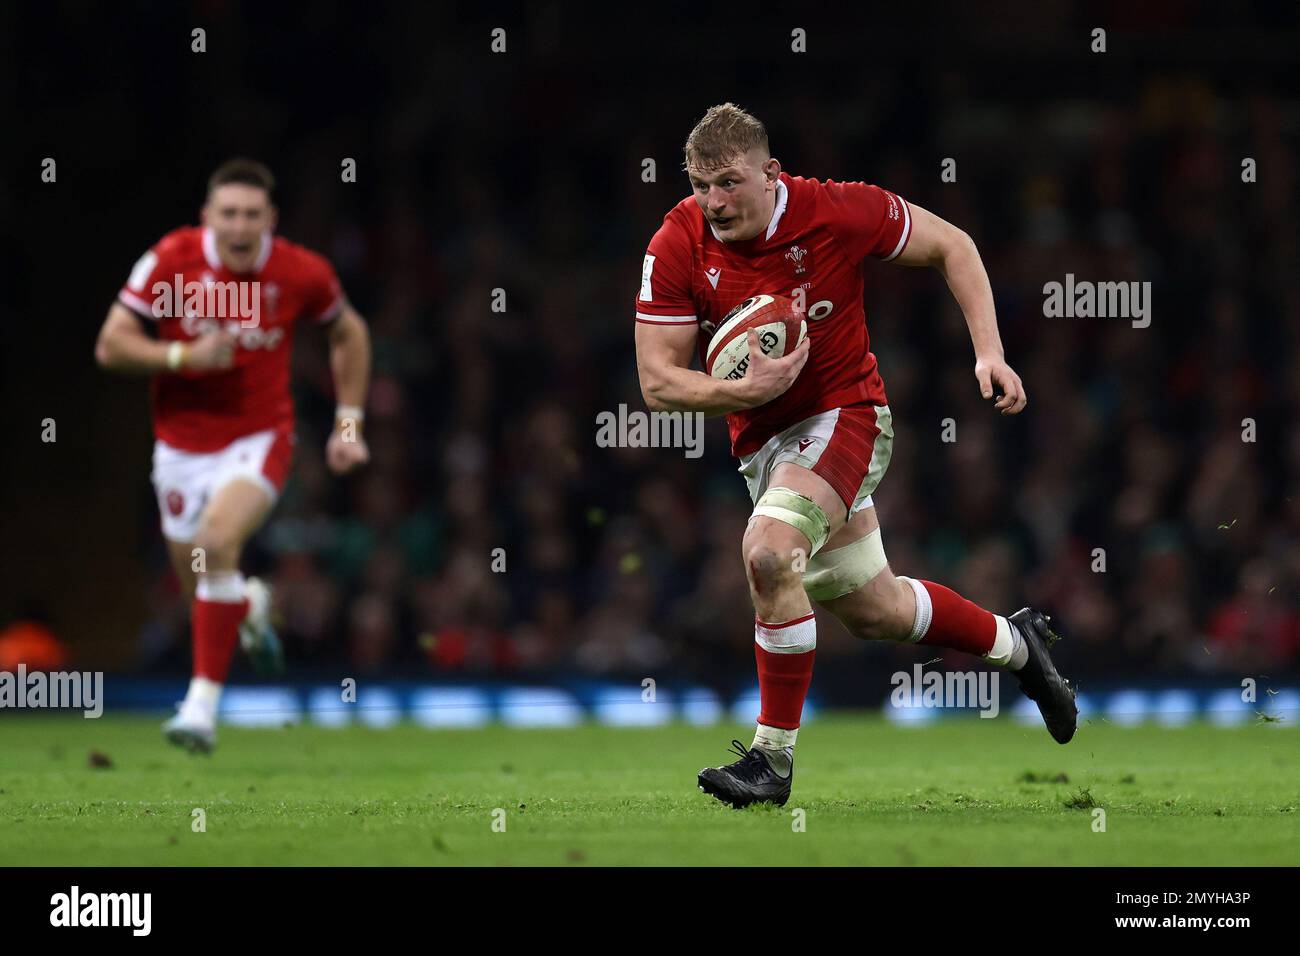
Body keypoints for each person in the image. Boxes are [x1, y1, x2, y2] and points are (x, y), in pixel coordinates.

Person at [633, 104, 1077, 809]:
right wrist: (739, 390)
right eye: (700, 184)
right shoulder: (678, 238)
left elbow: (953, 245)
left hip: (846, 414)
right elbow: (657, 383)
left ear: (770, 174)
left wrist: (988, 352)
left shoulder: (835, 211)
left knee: (769, 555)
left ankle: (770, 761)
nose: (714, 201)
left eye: (728, 182)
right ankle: (1020, 646)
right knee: (878, 610)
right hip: (762, 443)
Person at [95, 158, 372, 752]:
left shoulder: (299, 271)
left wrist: (348, 422)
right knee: (200, 585)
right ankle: (248, 601)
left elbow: (348, 332)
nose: (240, 226)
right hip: (179, 447)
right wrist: (180, 359)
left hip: (259, 437)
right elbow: (110, 344)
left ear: (270, 218)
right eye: (229, 214)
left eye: (252, 214)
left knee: (217, 544)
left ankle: (199, 710)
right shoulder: (172, 260)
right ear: (207, 217)